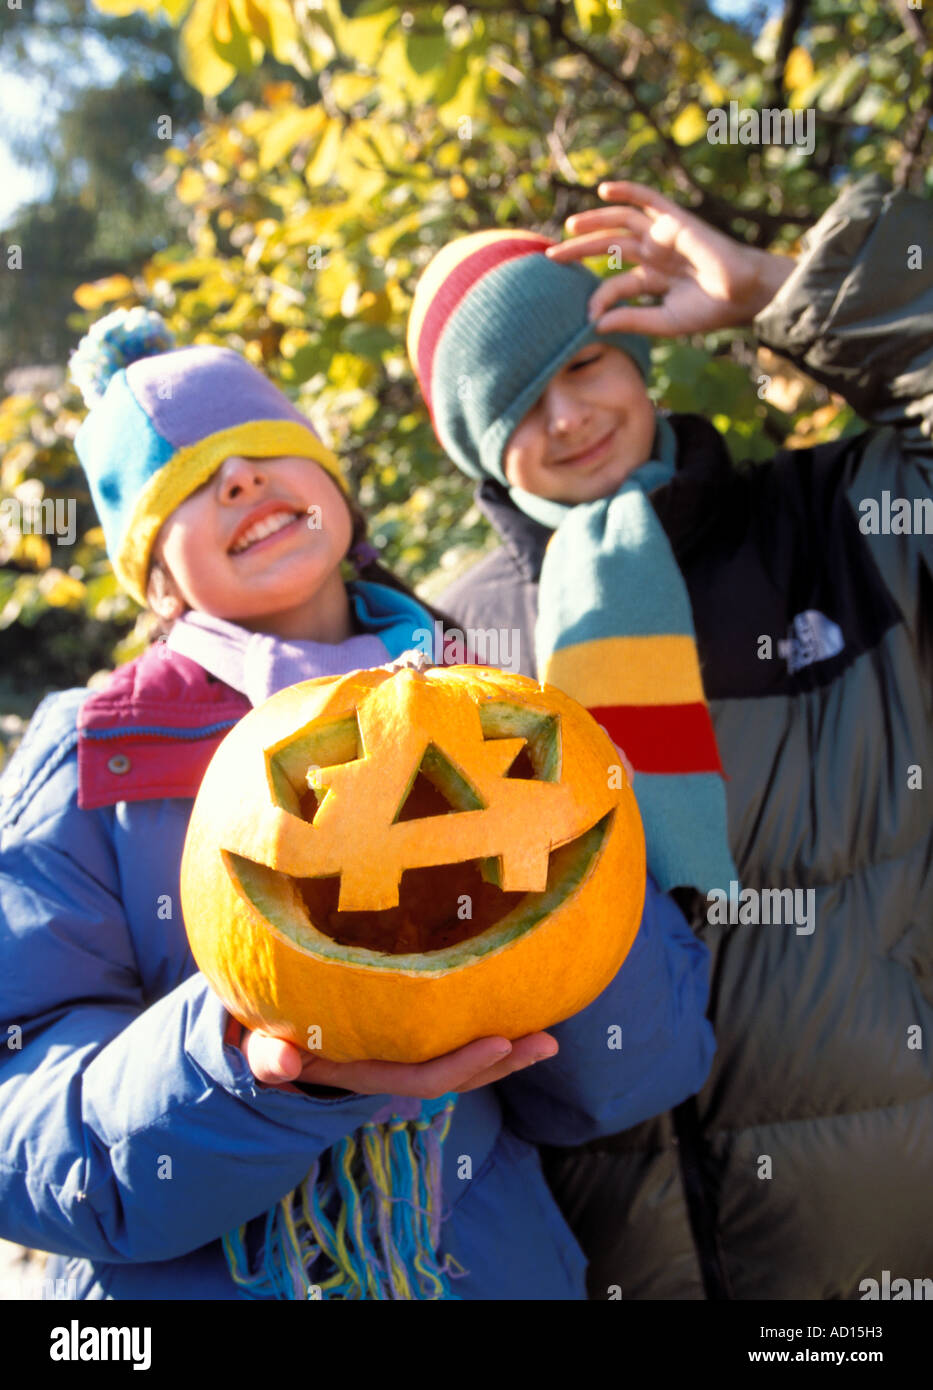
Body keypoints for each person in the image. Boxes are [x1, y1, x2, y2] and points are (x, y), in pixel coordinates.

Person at [0, 308, 715, 1301]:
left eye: (261, 450)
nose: (240, 479)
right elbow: (23, 1126)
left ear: (334, 487)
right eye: (192, 485)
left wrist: (567, 899)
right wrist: (249, 1062)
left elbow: (642, 1073)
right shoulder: (91, 756)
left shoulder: (509, 714)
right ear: (155, 579)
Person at [407, 173, 933, 1300]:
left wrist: (775, 287)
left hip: (884, 1213)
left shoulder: (835, 523)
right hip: (608, 1241)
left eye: (584, 365)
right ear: (475, 451)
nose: (567, 418)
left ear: (635, 354)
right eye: (516, 407)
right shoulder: (453, 643)